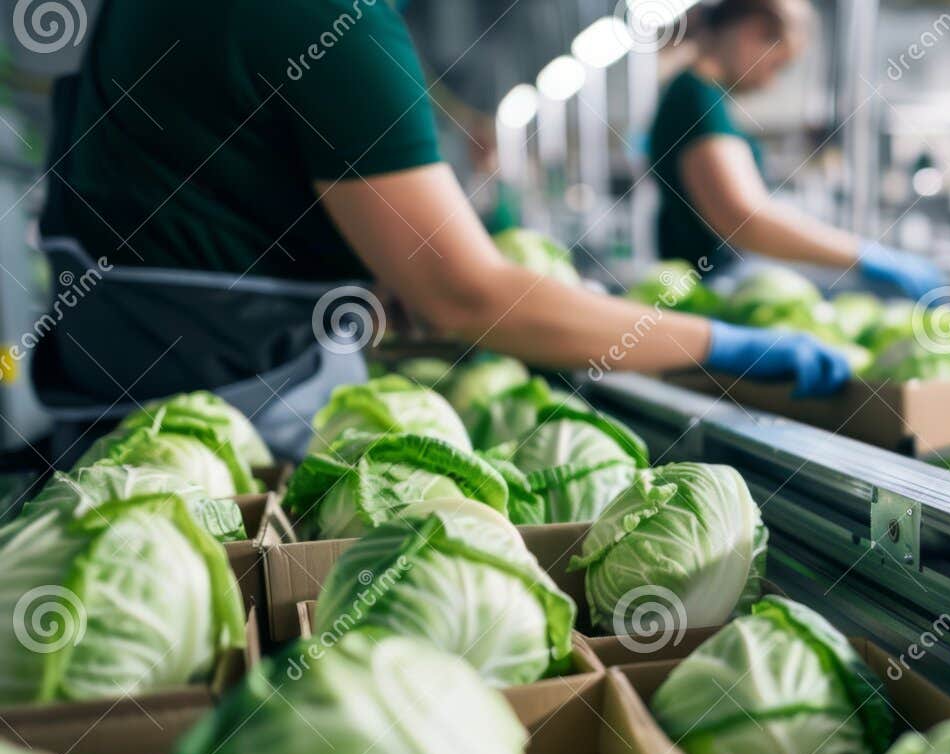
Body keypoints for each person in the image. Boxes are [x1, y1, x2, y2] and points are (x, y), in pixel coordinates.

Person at [32, 0, 849, 461]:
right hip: (227, 421)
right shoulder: (324, 18)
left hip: (121, 413)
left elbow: (216, 197)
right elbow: (464, 291)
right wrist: (724, 345)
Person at [647, 0, 942, 297]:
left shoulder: (701, 95)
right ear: (753, 33)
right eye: (777, 64)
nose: (771, 82)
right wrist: (863, 255)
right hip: (706, 289)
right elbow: (745, 220)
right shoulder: (696, 98)